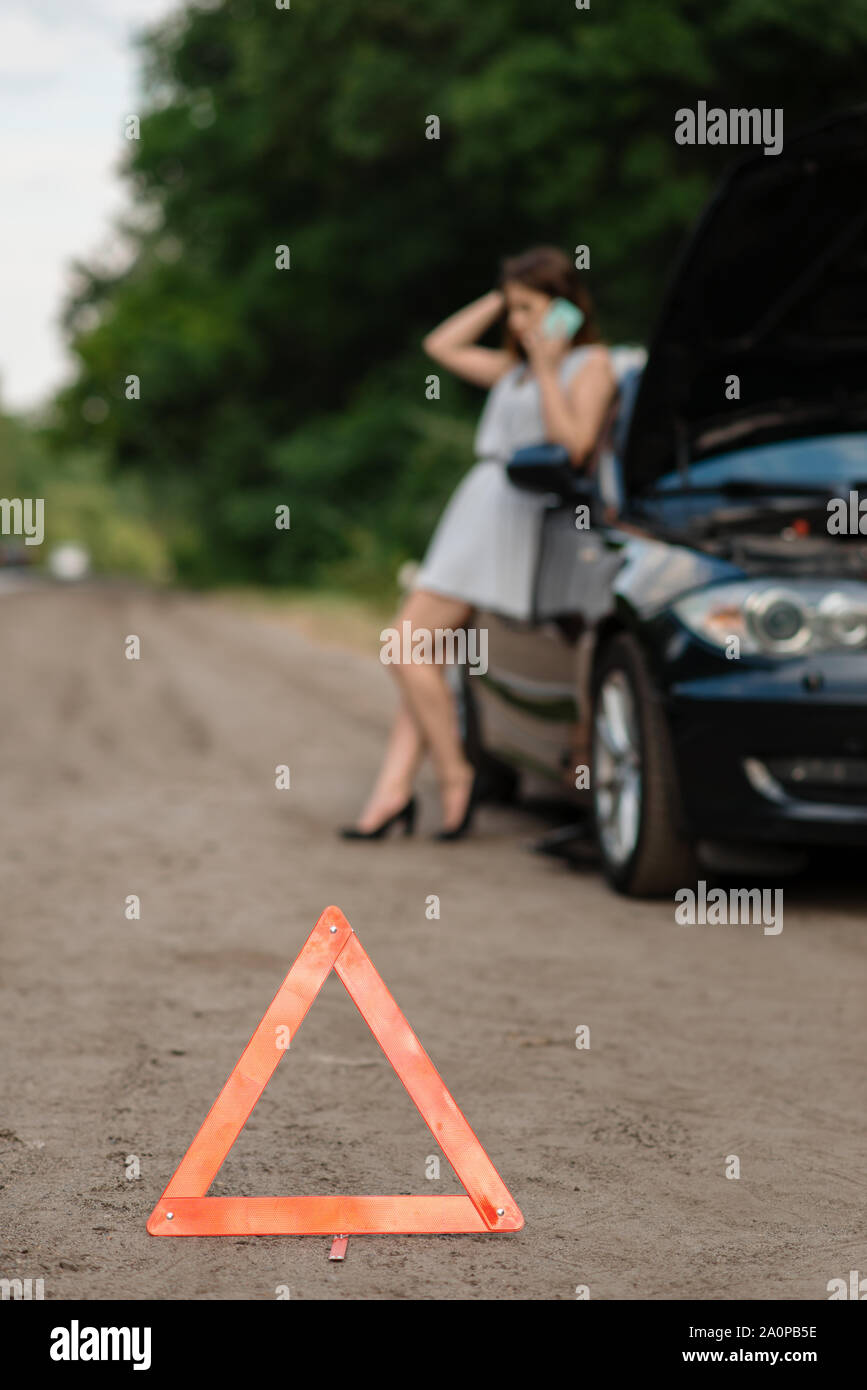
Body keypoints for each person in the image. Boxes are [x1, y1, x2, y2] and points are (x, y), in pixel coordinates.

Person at [340, 245, 618, 841]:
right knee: (425, 658)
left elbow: (573, 446)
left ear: (564, 307)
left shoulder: (588, 365)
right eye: (512, 310)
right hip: (477, 506)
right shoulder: (509, 368)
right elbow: (440, 346)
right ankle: (391, 795)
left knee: (404, 647)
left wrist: (549, 363)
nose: (517, 322)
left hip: (514, 511)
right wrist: (504, 295)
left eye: (528, 308)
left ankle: (454, 775)